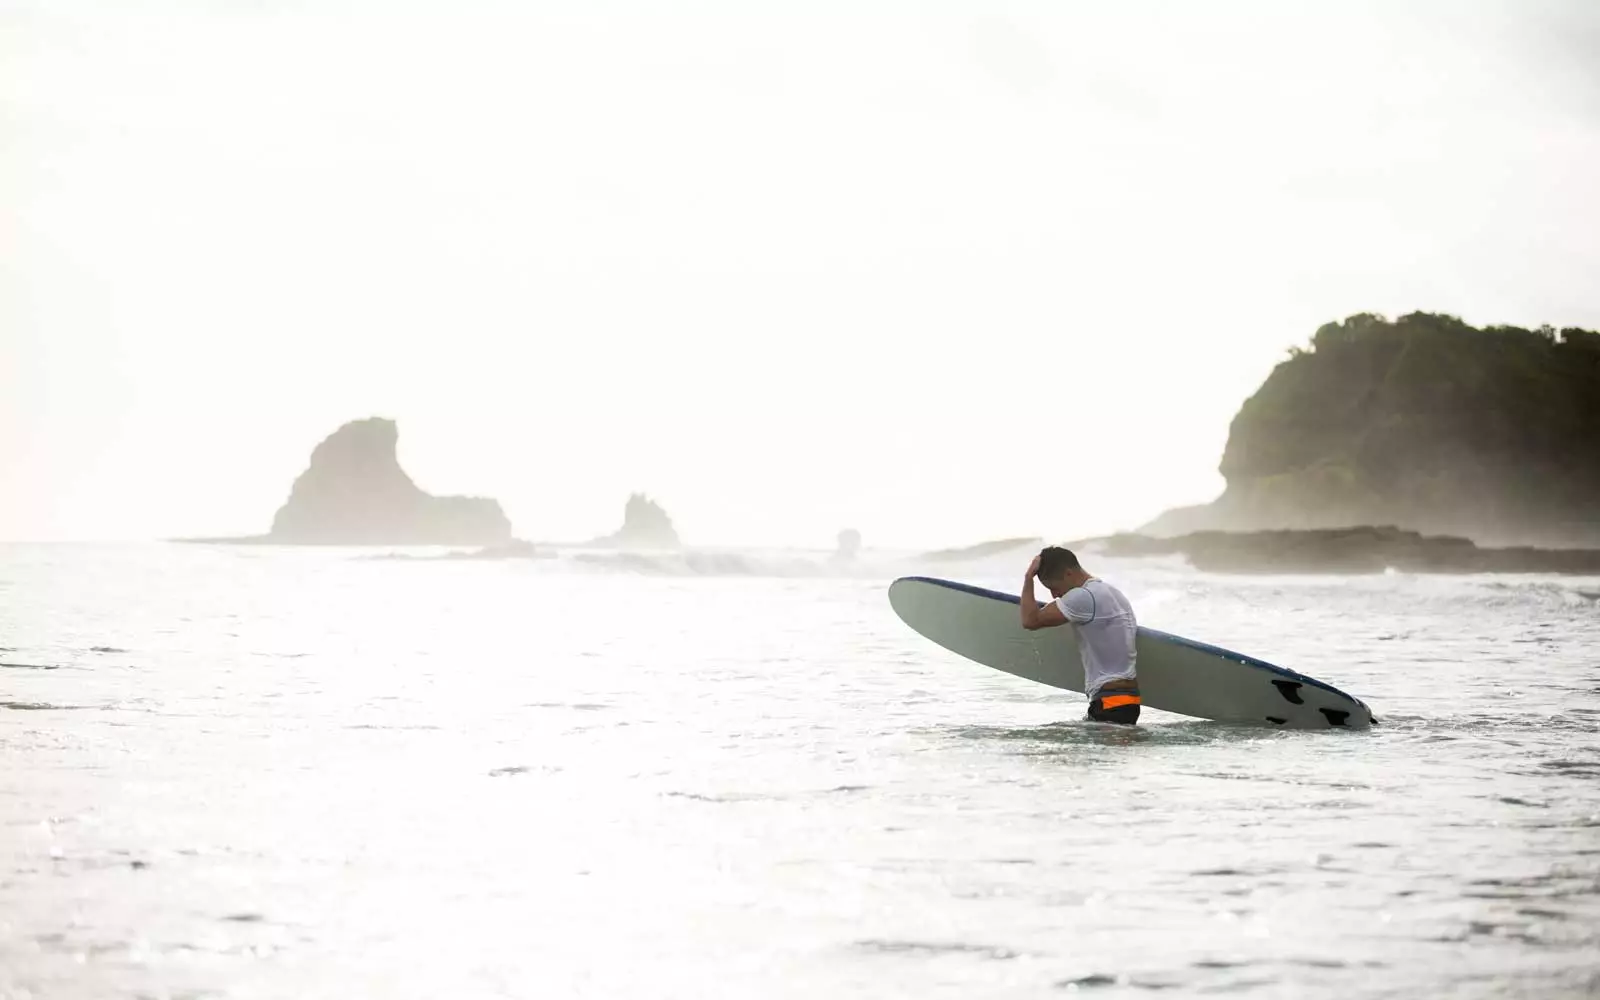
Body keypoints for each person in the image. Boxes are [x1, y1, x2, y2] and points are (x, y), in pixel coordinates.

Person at [1017, 546, 1141, 725]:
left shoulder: (1083, 597)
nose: (1054, 595)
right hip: (1128, 700)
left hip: (1110, 700)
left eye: (1053, 587)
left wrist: (1028, 578)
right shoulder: (1113, 593)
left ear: (1068, 573)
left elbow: (1030, 620)